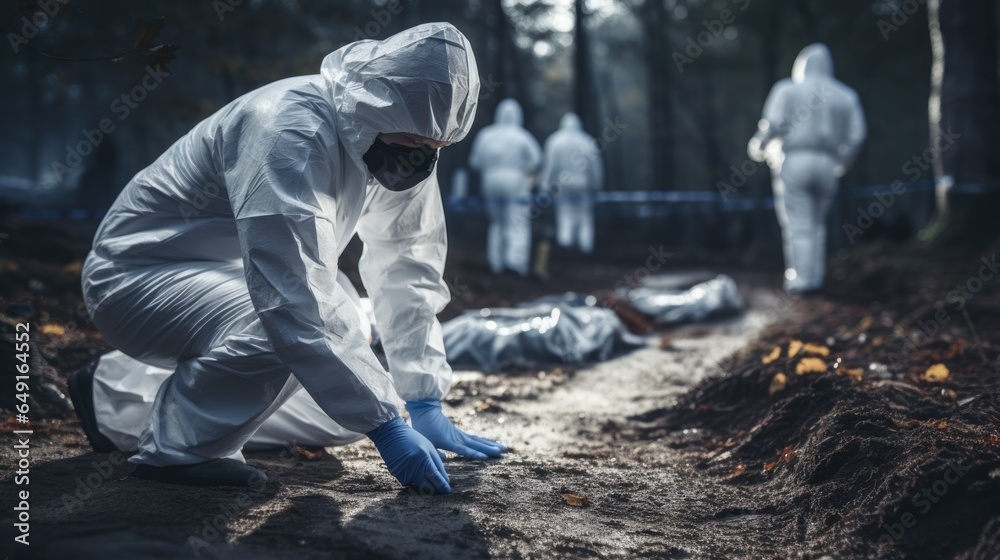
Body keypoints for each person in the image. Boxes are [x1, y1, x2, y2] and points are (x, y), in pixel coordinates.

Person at [70, 22, 507, 494]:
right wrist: (386, 429)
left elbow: (408, 264)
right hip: (138, 275)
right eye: (410, 142)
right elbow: (291, 292)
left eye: (435, 148)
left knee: (342, 407)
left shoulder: (400, 135)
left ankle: (111, 399)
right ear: (375, 108)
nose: (419, 158)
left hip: (228, 278)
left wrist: (421, 400)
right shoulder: (285, 127)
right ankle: (179, 454)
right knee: (288, 326)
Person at [747, 43, 866, 294]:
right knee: (818, 224)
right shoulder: (846, 95)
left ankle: (802, 282)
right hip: (828, 164)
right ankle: (816, 278)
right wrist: (843, 162)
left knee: (799, 224)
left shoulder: (787, 90)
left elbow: (774, 123)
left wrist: (759, 146)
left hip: (795, 160)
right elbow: (857, 135)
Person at [468, 98, 542, 276]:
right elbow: (537, 160)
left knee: (496, 223)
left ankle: (496, 264)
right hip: (515, 180)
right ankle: (515, 264)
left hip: (490, 180)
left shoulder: (486, 135)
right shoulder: (522, 136)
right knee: (516, 221)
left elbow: (474, 162)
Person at [539, 113, 603, 254]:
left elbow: (550, 167)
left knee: (565, 215)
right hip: (583, 185)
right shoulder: (587, 141)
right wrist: (596, 186)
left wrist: (545, 187)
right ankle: (585, 248)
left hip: (563, 186)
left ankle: (566, 247)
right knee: (585, 217)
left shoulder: (555, 141)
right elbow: (595, 168)